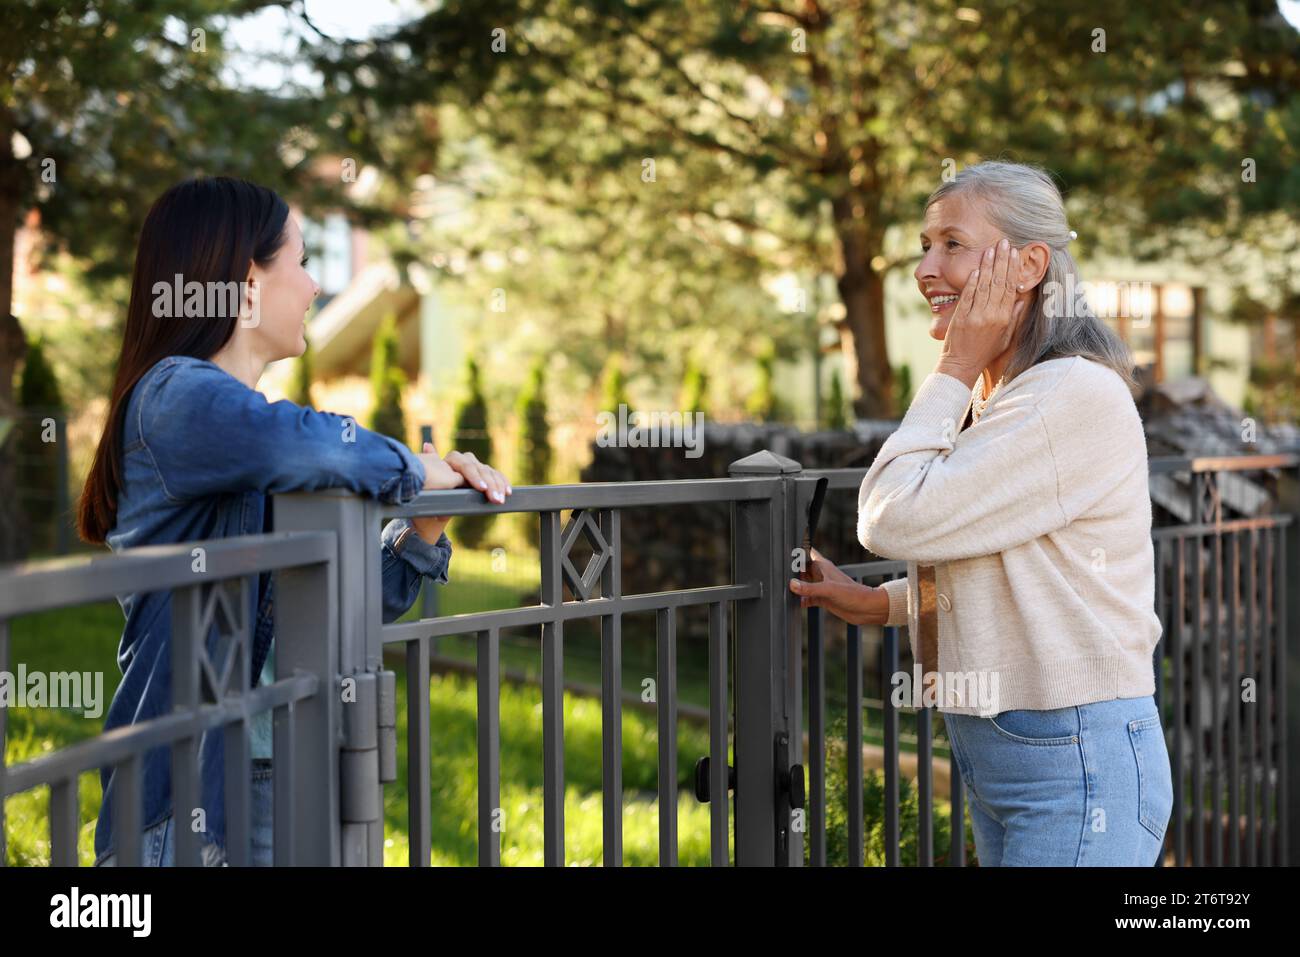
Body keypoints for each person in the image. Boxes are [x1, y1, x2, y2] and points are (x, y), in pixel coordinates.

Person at [79, 176, 511, 866]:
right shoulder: (175, 397)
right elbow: (297, 439)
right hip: (192, 801)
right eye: (303, 262)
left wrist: (423, 527)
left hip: (278, 770)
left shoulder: (239, 428)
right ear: (246, 281)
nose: (315, 287)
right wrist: (414, 468)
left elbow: (324, 613)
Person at [789, 160, 1173, 866]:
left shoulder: (1066, 394)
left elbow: (889, 516)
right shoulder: (1014, 397)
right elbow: (1020, 559)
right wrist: (883, 603)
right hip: (1013, 756)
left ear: (1028, 265)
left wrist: (956, 364)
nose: (926, 267)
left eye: (952, 244)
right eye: (924, 245)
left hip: (1075, 763)